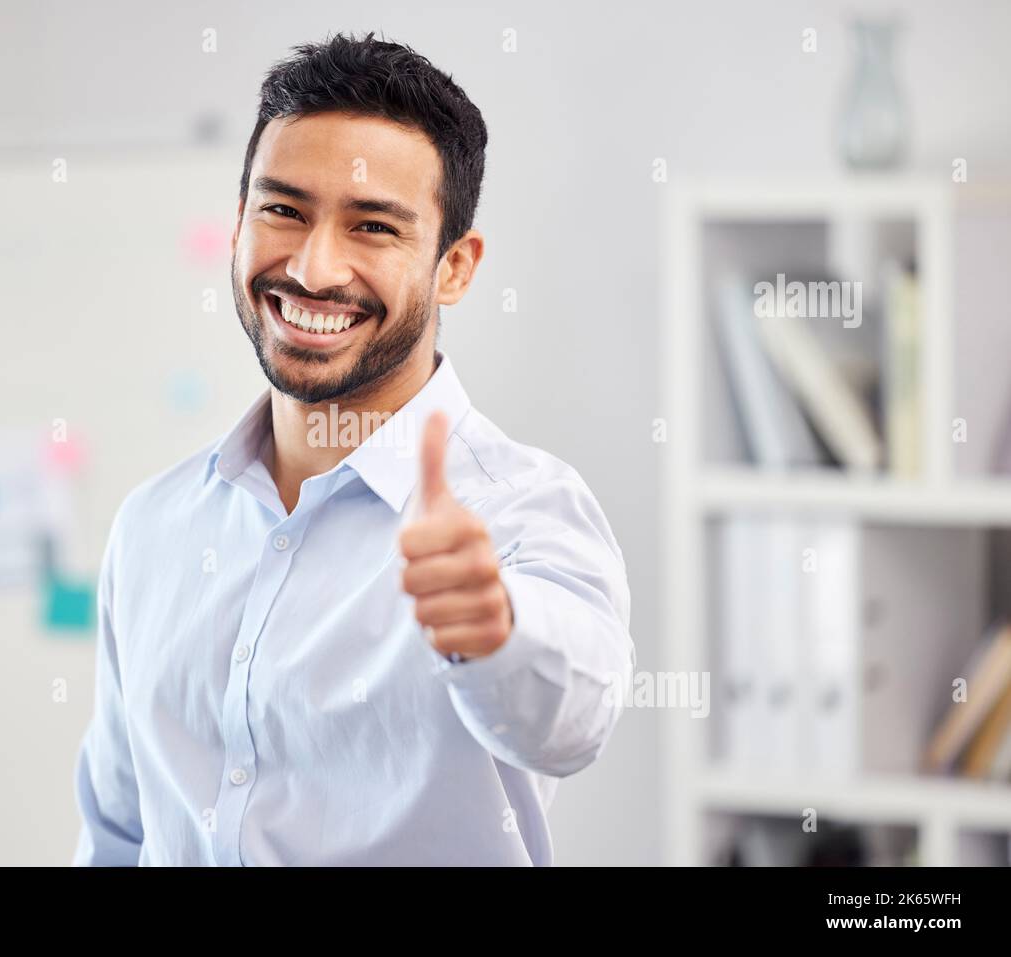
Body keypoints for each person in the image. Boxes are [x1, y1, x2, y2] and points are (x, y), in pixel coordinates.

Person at [73, 31, 633, 866]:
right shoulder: (153, 526)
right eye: (283, 210)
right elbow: (119, 833)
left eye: (373, 226)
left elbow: (574, 719)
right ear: (238, 223)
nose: (313, 267)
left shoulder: (517, 509)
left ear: (455, 267)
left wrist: (495, 628)